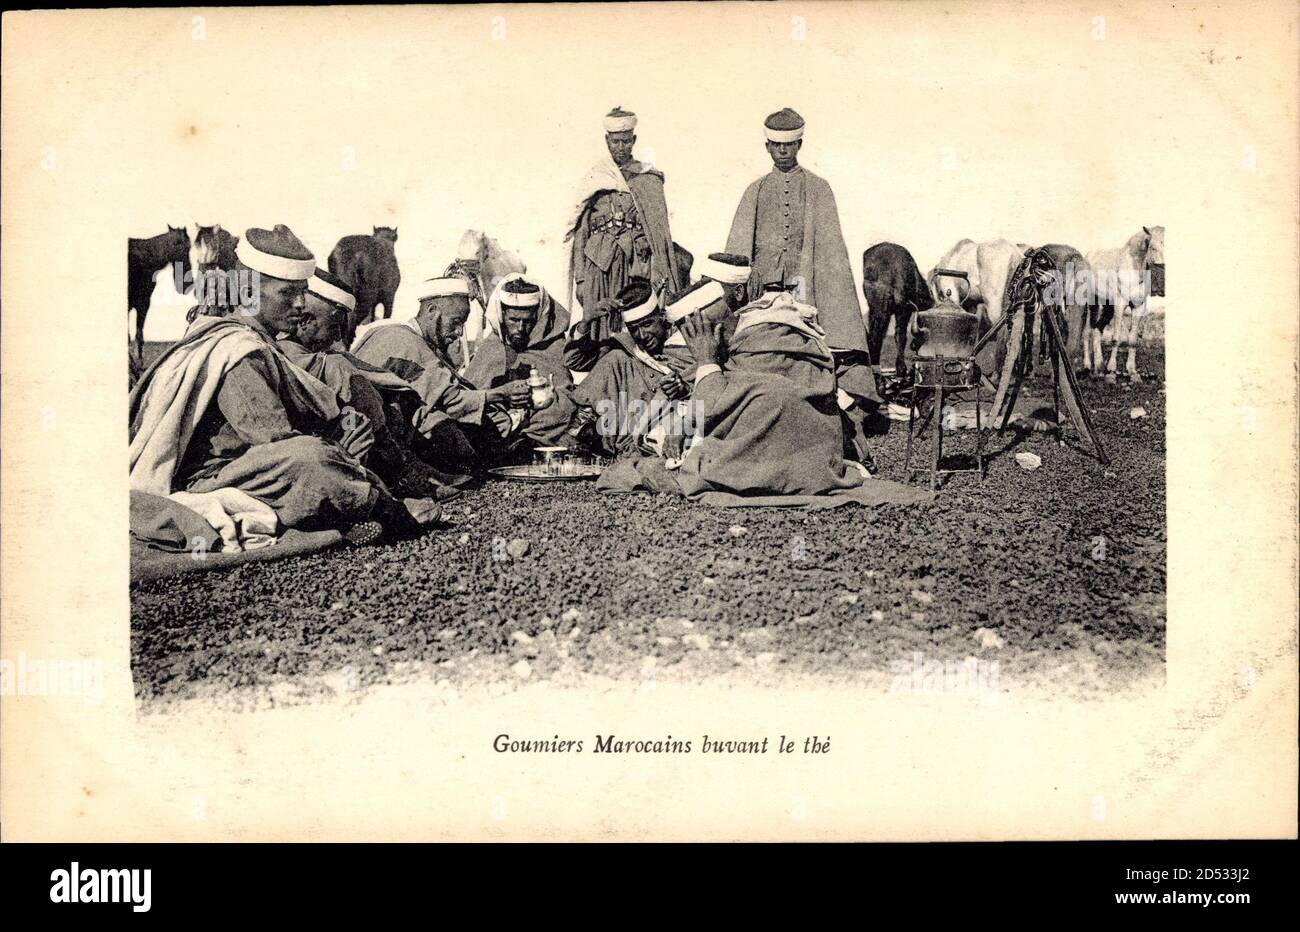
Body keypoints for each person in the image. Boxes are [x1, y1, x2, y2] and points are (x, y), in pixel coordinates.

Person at [130, 225, 440, 542]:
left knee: (319, 452)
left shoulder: (258, 342)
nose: (300, 304)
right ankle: (389, 514)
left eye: (302, 292)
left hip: (256, 466)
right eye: (288, 293)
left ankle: (345, 514)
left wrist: (342, 434)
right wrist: (339, 446)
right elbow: (273, 439)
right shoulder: (238, 351)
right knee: (309, 457)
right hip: (218, 477)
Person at [725, 108, 881, 407]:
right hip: (763, 297)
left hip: (806, 292)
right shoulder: (755, 190)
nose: (783, 150)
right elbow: (738, 253)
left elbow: (831, 256)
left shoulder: (819, 189)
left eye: (789, 145)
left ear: (799, 145)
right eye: (777, 145)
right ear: (767, 146)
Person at [278, 269, 465, 499]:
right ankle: (401, 475)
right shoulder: (295, 356)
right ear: (306, 322)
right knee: (348, 379)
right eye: (335, 327)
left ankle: (404, 471)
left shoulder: (316, 354)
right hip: (307, 450)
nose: (338, 338)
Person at [350, 277, 532, 472]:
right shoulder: (408, 343)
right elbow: (450, 400)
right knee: (443, 426)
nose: (459, 332)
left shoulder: (392, 333)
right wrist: (501, 394)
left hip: (362, 430)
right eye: (455, 322)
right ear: (431, 311)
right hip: (369, 437)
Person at [565, 107, 684, 332]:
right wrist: (580, 279)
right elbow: (580, 231)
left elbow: (658, 230)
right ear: (607, 141)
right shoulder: (595, 177)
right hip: (598, 265)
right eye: (616, 142)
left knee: (635, 319)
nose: (621, 147)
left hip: (635, 264)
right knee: (598, 325)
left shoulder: (648, 177)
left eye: (626, 142)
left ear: (634, 140)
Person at [569, 281, 692, 457]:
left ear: (662, 316)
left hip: (672, 414)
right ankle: (583, 432)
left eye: (648, 324)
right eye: (634, 329)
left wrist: (683, 387)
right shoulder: (630, 346)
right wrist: (587, 321)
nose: (642, 335)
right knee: (615, 358)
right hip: (634, 415)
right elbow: (575, 361)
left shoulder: (684, 339)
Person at [461, 276, 579, 449]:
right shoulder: (492, 348)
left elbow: (566, 397)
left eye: (528, 322)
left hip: (547, 426)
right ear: (502, 317)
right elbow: (472, 397)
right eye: (514, 320)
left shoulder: (554, 346)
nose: (520, 329)